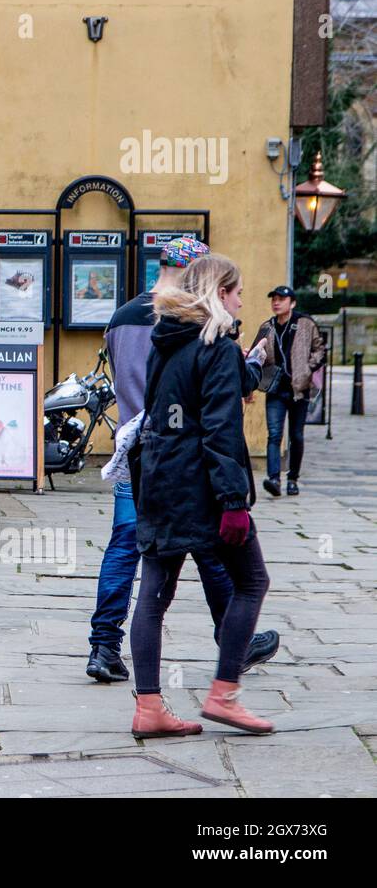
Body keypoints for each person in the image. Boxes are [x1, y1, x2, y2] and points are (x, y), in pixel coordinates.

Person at [87, 236, 279, 683]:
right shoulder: (184, 325)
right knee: (214, 555)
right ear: (200, 273)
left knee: (125, 548)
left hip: (136, 450)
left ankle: (104, 645)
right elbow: (205, 405)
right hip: (182, 457)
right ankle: (232, 645)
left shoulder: (121, 318)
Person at [130, 253, 275, 737]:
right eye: (236, 292)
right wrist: (234, 502)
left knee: (153, 595)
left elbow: (160, 413)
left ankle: (148, 707)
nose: (242, 300)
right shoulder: (218, 348)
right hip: (204, 489)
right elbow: (220, 431)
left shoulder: (165, 342)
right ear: (219, 293)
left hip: (159, 479)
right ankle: (224, 695)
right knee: (252, 582)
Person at [251, 286, 326, 498]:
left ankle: (293, 479)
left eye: (281, 299)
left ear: (292, 303)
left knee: (296, 435)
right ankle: (274, 478)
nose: (276, 302)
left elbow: (320, 349)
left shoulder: (305, 323)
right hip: (275, 389)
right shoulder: (267, 327)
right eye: (274, 299)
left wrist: (307, 368)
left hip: (299, 389)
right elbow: (257, 355)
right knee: (274, 435)